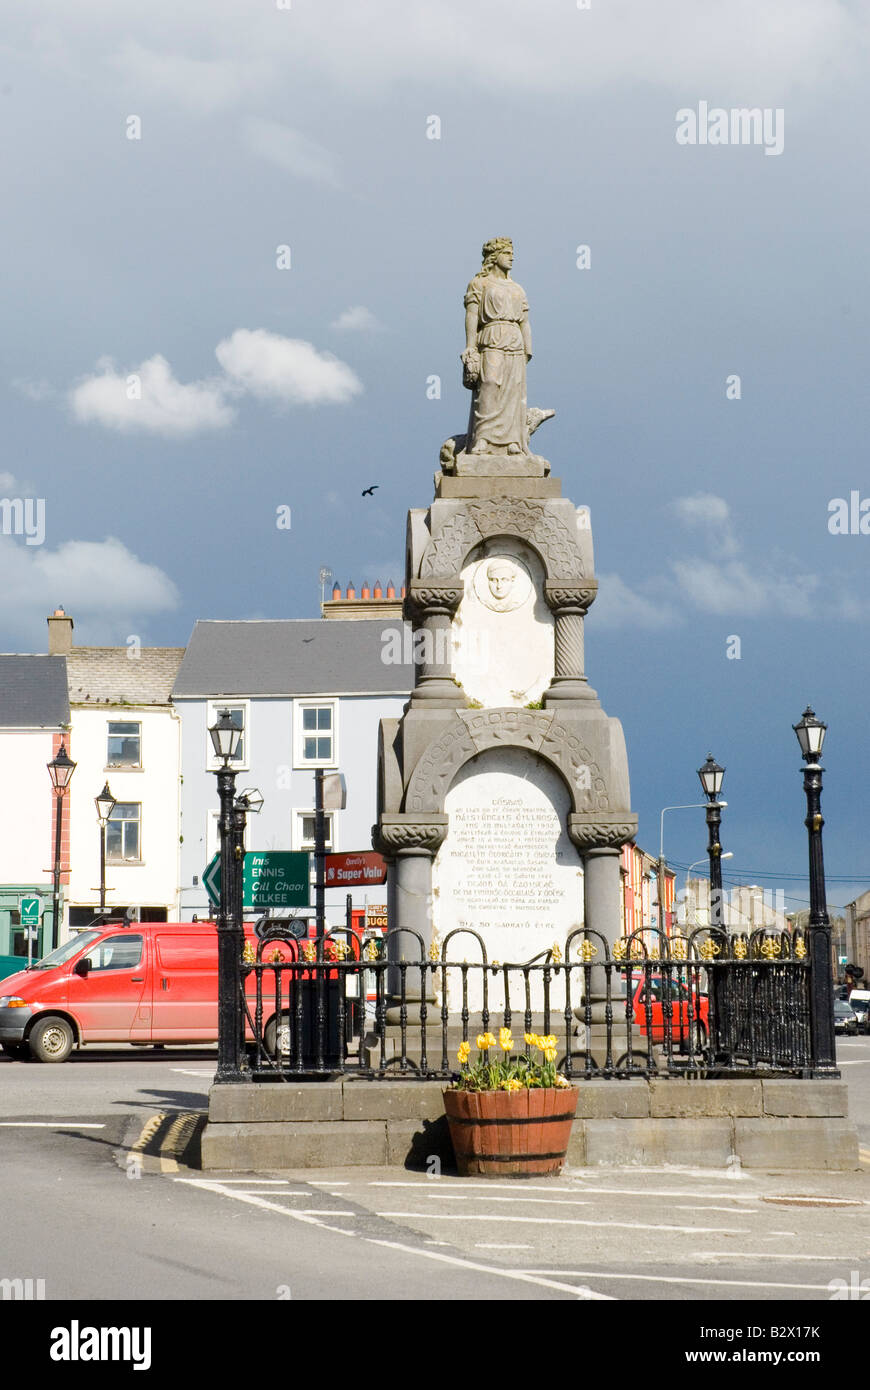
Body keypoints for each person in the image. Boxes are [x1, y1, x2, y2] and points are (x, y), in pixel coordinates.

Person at [462, 237, 531, 455]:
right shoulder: (479, 283)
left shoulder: (518, 288)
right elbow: (472, 315)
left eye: (512, 253)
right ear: (494, 256)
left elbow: (525, 322)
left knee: (513, 390)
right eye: (507, 253)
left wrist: (528, 349)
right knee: (489, 384)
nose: (512, 257)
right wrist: (470, 347)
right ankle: (483, 438)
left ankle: (512, 441)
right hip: (491, 336)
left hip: (515, 340)